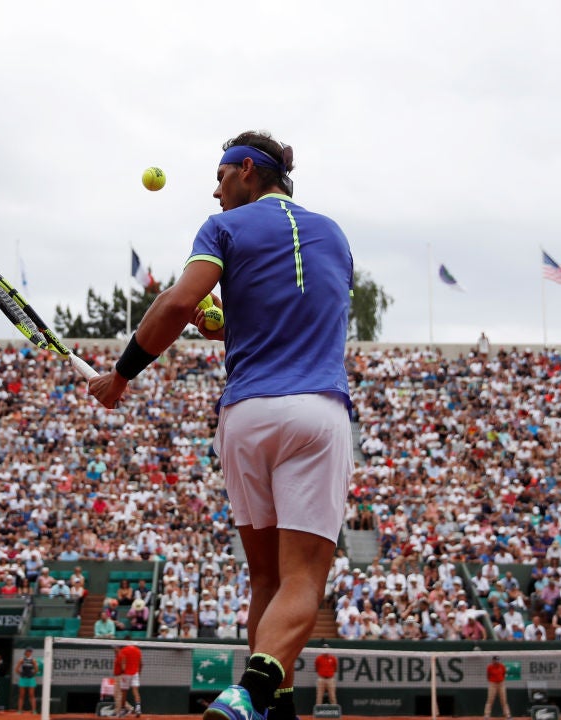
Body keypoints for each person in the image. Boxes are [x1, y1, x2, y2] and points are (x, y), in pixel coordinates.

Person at [89, 130, 353, 720]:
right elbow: (302, 310)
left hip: (246, 415)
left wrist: (122, 375)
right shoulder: (334, 234)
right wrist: (231, 322)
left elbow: (179, 304)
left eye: (220, 176)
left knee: (265, 579)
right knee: (302, 580)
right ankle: (253, 690)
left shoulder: (224, 230)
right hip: (315, 412)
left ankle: (269, 708)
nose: (214, 191)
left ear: (246, 172)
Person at [113, 643, 143, 717]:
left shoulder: (123, 651)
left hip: (126, 674)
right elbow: (141, 663)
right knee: (135, 691)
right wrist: (139, 673)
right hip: (135, 673)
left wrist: (123, 672)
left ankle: (123, 710)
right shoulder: (138, 651)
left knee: (124, 693)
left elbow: (123, 663)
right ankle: (138, 708)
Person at [16, 648, 40, 713]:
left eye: (30, 652)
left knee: (31, 695)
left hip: (31, 679)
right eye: (28, 651)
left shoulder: (33, 660)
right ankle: (19, 710)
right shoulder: (21, 660)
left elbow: (36, 670)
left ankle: (34, 710)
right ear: (25, 652)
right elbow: (16, 669)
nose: (29, 653)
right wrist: (21, 674)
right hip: (23, 679)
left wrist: (32, 674)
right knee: (21, 695)